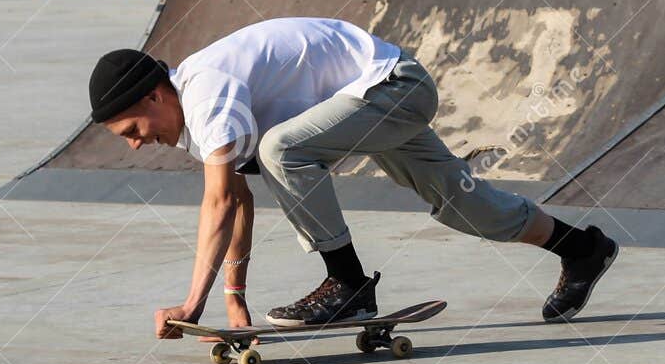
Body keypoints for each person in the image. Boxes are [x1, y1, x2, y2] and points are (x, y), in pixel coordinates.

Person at [86, 17, 619, 338]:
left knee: (282, 148)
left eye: (133, 128)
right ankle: (581, 248)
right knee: (463, 205)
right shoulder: (199, 118)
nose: (136, 143)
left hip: (393, 88)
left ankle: (348, 283)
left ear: (157, 95)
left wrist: (190, 304)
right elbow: (242, 199)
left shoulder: (206, 93)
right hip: (366, 101)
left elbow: (219, 203)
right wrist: (233, 295)